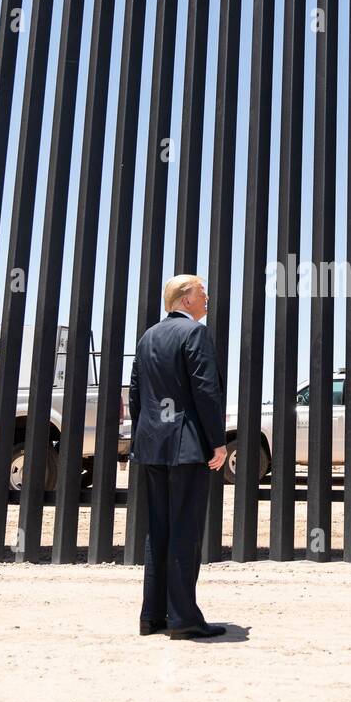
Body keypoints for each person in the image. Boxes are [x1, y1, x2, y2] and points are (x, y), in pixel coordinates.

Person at [128, 274, 228, 639]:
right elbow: (206, 391)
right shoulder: (194, 334)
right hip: (186, 447)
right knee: (185, 531)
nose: (207, 296)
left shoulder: (147, 337)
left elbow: (136, 393)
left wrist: (145, 436)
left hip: (152, 445)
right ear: (185, 299)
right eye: (203, 291)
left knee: (159, 530)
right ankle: (184, 618)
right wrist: (217, 442)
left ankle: (153, 616)